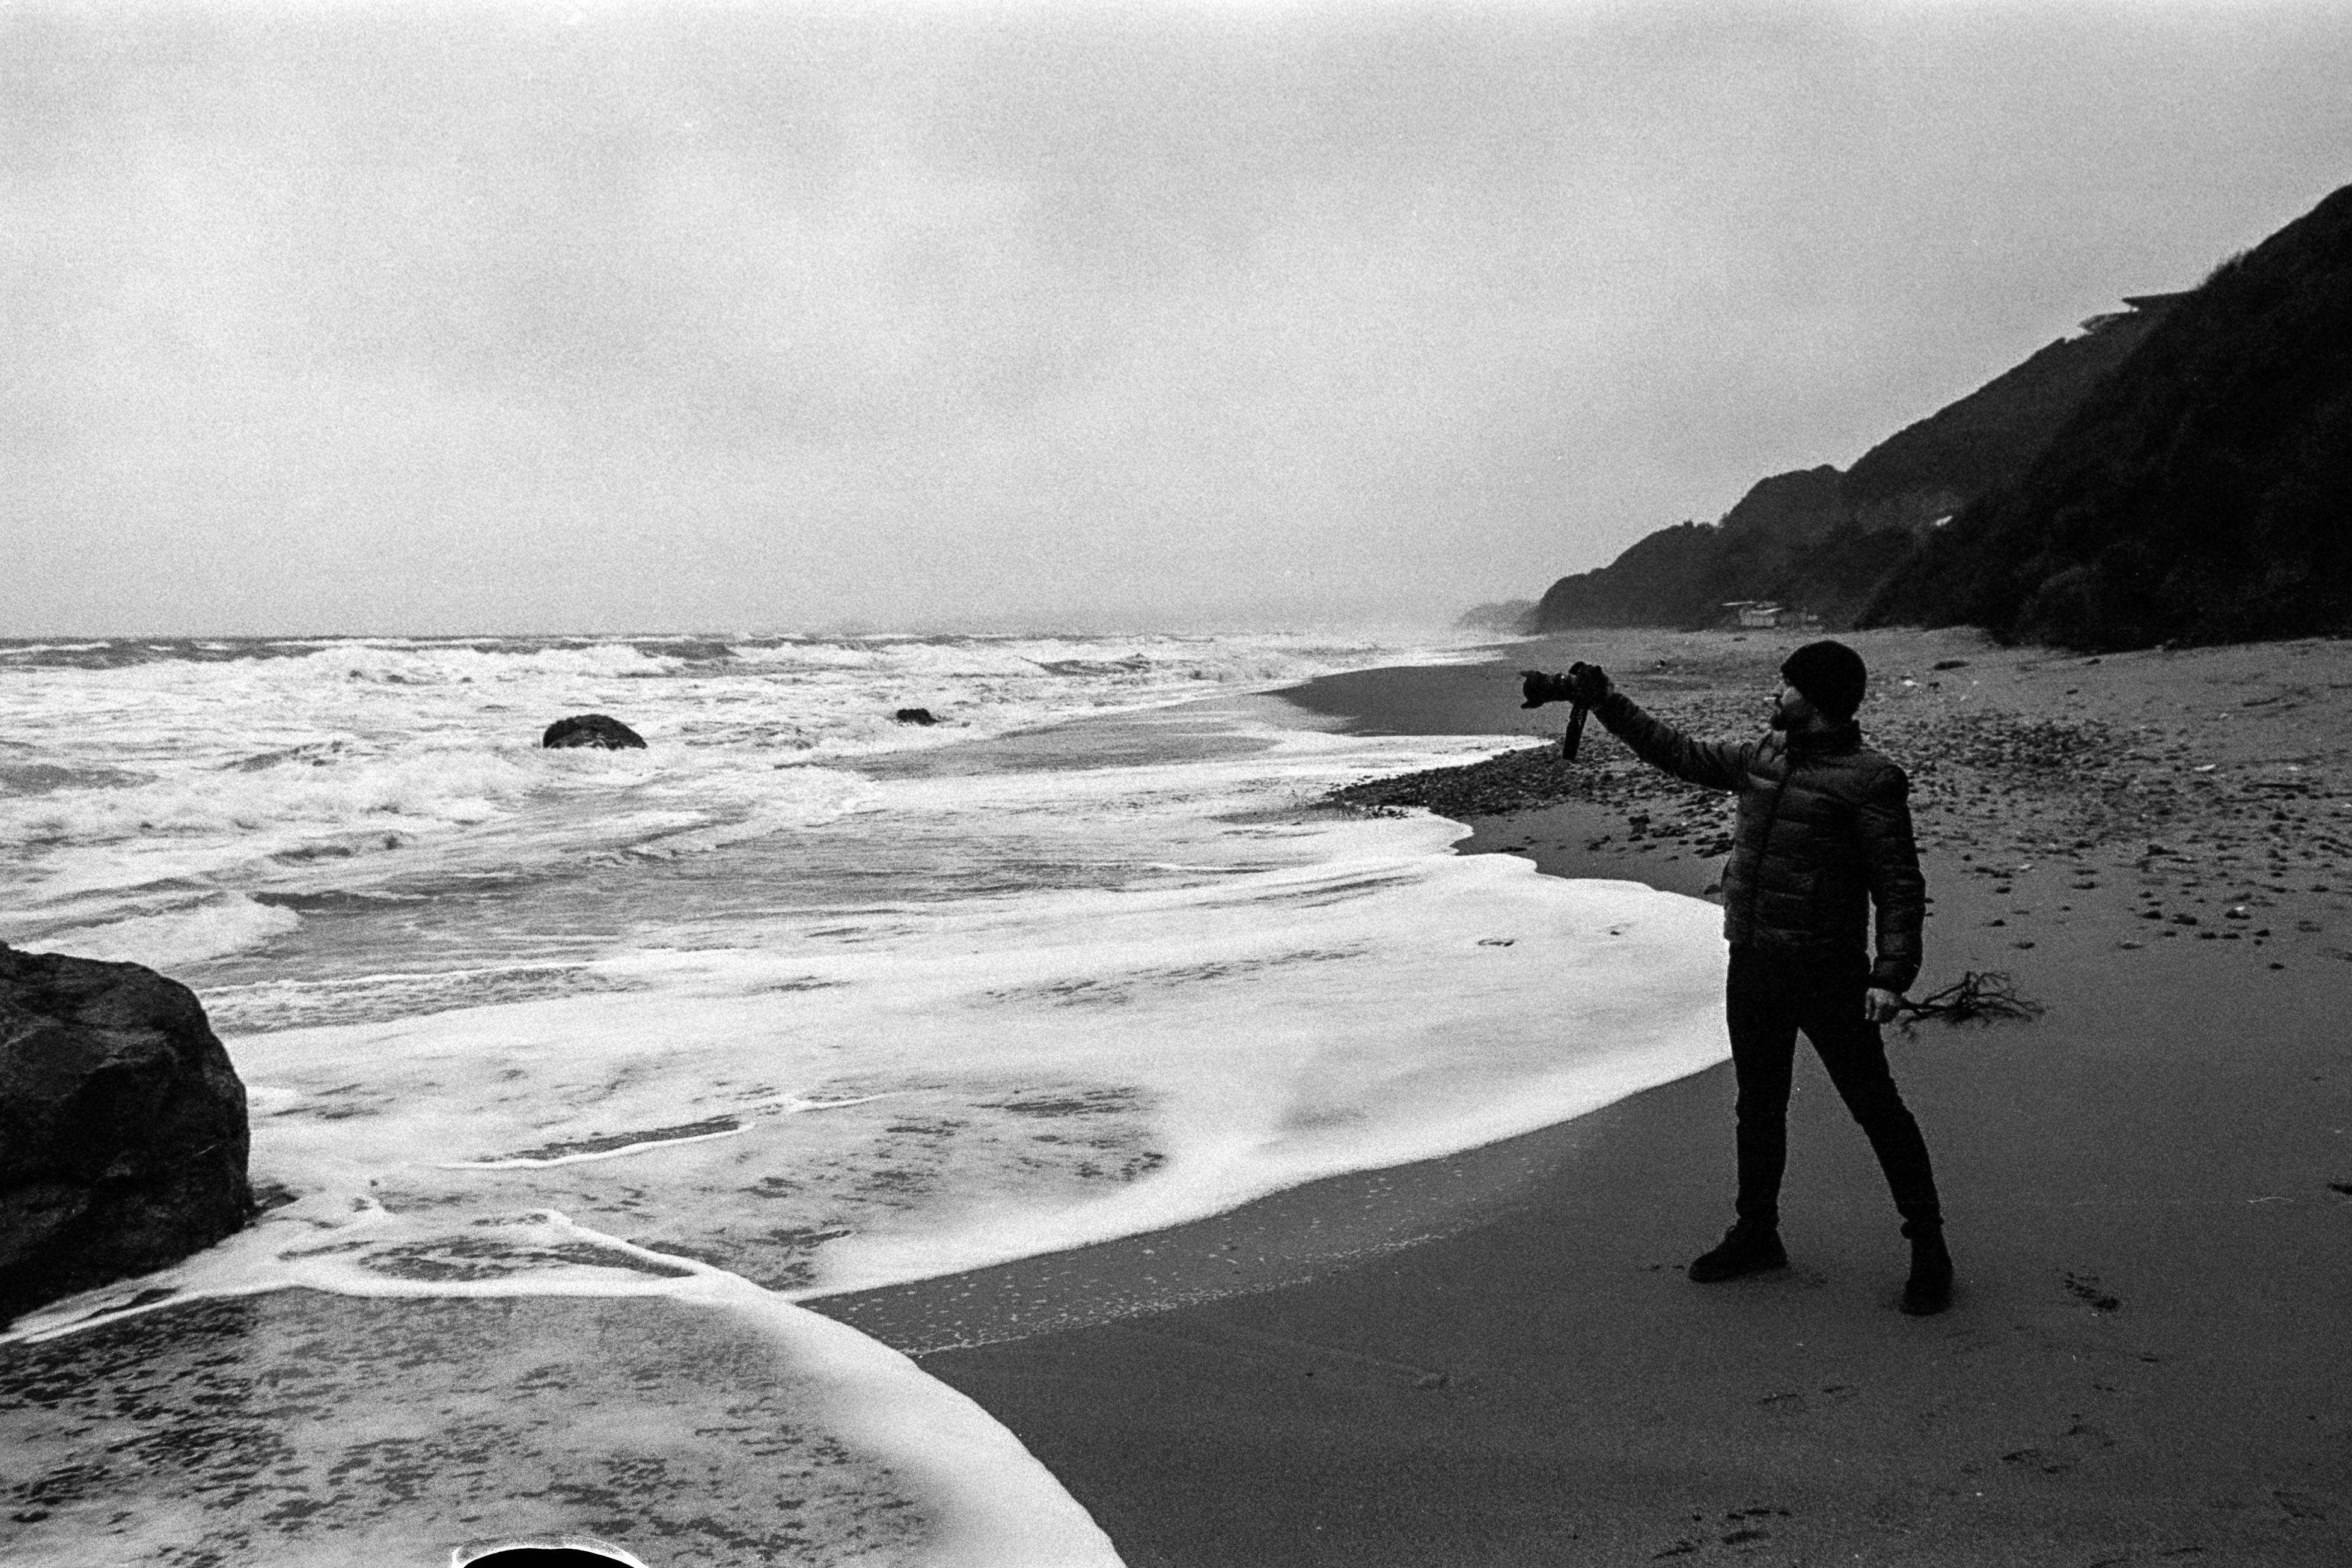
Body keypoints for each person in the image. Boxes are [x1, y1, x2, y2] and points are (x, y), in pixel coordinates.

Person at [1525, 641, 1953, 1315]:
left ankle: (1928, 1246)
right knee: (1757, 1105)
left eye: (1787, 685)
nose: (1775, 694)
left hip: (1827, 971)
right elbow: (1676, 752)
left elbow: (1899, 884)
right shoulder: (1763, 757)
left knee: (1875, 1107)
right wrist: (1605, 702)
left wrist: (1890, 975)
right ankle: (1757, 1233)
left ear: (1816, 698)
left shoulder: (1870, 779)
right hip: (1753, 961)